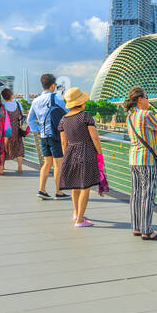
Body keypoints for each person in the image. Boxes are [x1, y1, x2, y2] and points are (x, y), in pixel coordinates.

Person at [125, 86, 157, 240]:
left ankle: (137, 227)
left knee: (136, 194)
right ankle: (147, 230)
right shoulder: (146, 115)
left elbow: (154, 119)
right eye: (146, 97)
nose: (148, 100)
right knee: (148, 195)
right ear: (140, 99)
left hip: (134, 160)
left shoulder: (131, 116)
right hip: (147, 160)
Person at [57, 87, 103, 227]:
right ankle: (80, 220)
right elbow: (94, 137)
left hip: (70, 152)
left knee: (75, 187)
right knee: (85, 187)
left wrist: (66, 156)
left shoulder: (63, 120)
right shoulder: (86, 116)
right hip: (86, 151)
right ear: (81, 102)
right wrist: (99, 153)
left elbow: (63, 141)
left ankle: (76, 213)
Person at [28, 73, 68, 200]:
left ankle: (42, 189)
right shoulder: (57, 98)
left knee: (46, 164)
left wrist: (38, 130)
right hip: (55, 135)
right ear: (52, 86)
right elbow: (67, 112)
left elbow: (30, 120)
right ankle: (59, 192)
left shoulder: (35, 100)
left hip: (44, 136)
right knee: (58, 165)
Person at [0, 88, 25, 174]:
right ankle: (20, 167)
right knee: (19, 147)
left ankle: (2, 167)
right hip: (16, 129)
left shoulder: (2, 105)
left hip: (5, 130)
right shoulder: (17, 104)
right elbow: (21, 115)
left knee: (3, 148)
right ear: (11, 95)